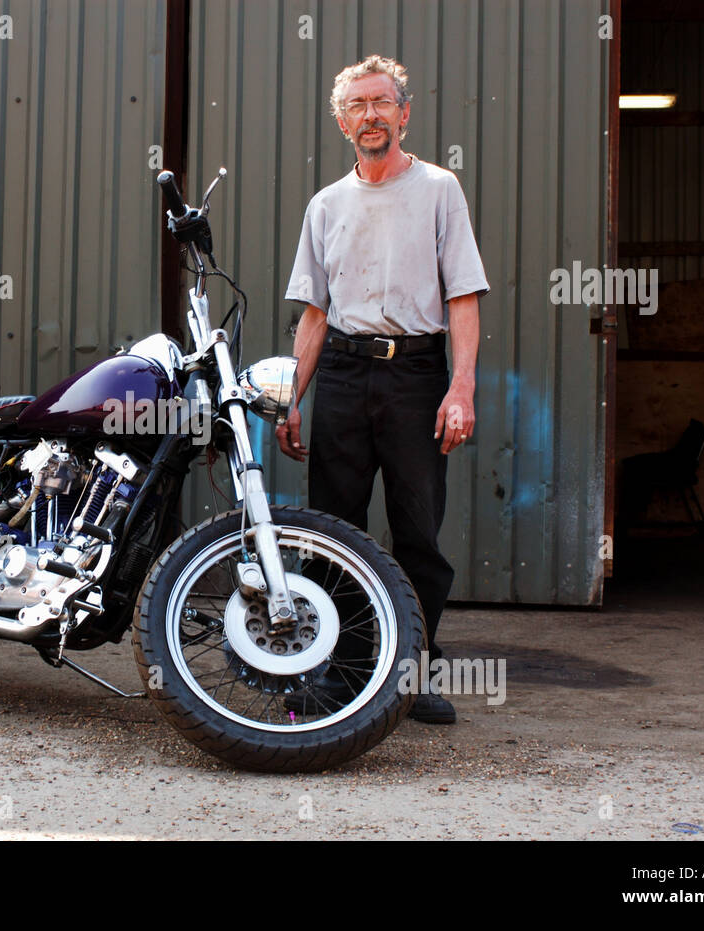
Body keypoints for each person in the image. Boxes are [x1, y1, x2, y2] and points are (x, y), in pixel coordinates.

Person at [278, 55, 489, 724]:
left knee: (417, 530)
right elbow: (313, 312)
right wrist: (292, 397)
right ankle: (338, 676)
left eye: (381, 102)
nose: (370, 115)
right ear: (343, 124)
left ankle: (413, 675)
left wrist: (460, 388)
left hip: (415, 376)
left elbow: (463, 297)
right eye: (357, 106)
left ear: (403, 112)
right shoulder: (326, 204)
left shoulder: (437, 189)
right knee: (333, 532)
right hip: (341, 371)